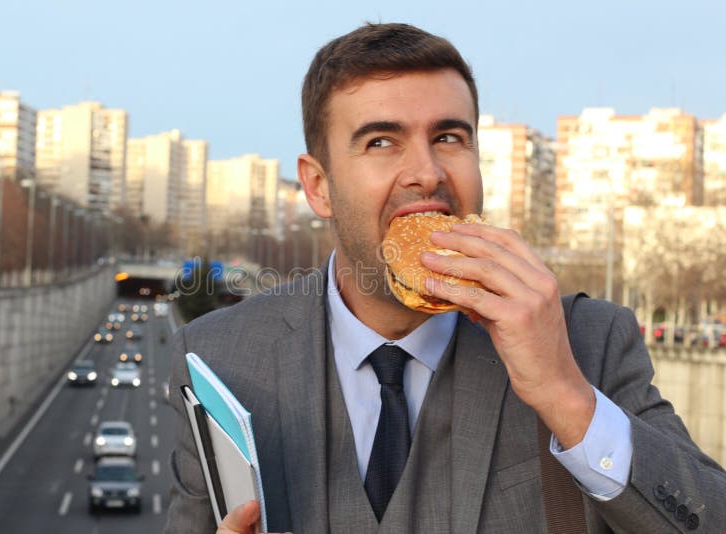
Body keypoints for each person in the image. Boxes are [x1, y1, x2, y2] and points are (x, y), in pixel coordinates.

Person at [164, 23, 726, 533]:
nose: (427, 173)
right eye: (381, 142)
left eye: (450, 138)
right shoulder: (221, 359)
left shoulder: (587, 342)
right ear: (318, 186)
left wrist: (564, 395)